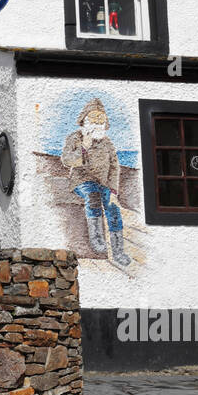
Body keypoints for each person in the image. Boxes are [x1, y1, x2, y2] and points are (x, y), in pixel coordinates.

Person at [61, 98, 132, 269]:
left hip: (105, 184)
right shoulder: (75, 138)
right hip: (83, 181)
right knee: (93, 196)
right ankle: (97, 239)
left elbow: (115, 167)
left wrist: (114, 191)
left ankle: (118, 252)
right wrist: (83, 147)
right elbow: (66, 160)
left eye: (100, 120)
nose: (97, 123)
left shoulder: (107, 143)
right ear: (84, 120)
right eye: (93, 119)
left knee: (113, 208)